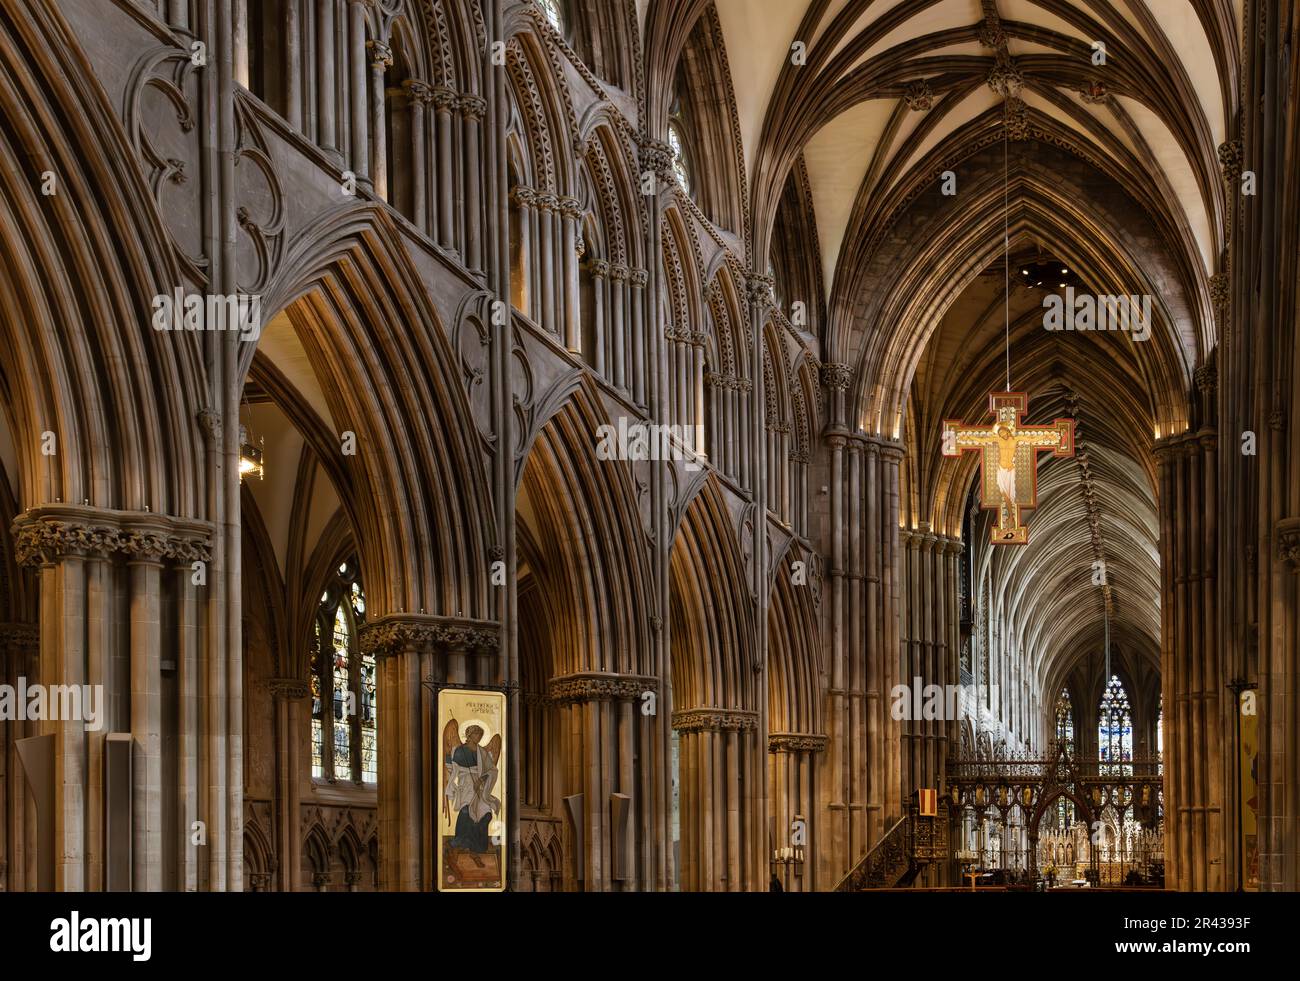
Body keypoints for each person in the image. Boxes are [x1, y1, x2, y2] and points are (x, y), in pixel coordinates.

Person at [444, 725, 501, 856]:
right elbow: (450, 765)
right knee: (466, 811)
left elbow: (492, 770)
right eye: (476, 734)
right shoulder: (459, 751)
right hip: (466, 784)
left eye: (480, 735)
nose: (479, 737)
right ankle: (461, 841)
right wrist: (447, 759)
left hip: (480, 786)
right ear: (469, 735)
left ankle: (479, 846)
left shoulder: (482, 752)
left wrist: (482, 779)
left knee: (486, 813)